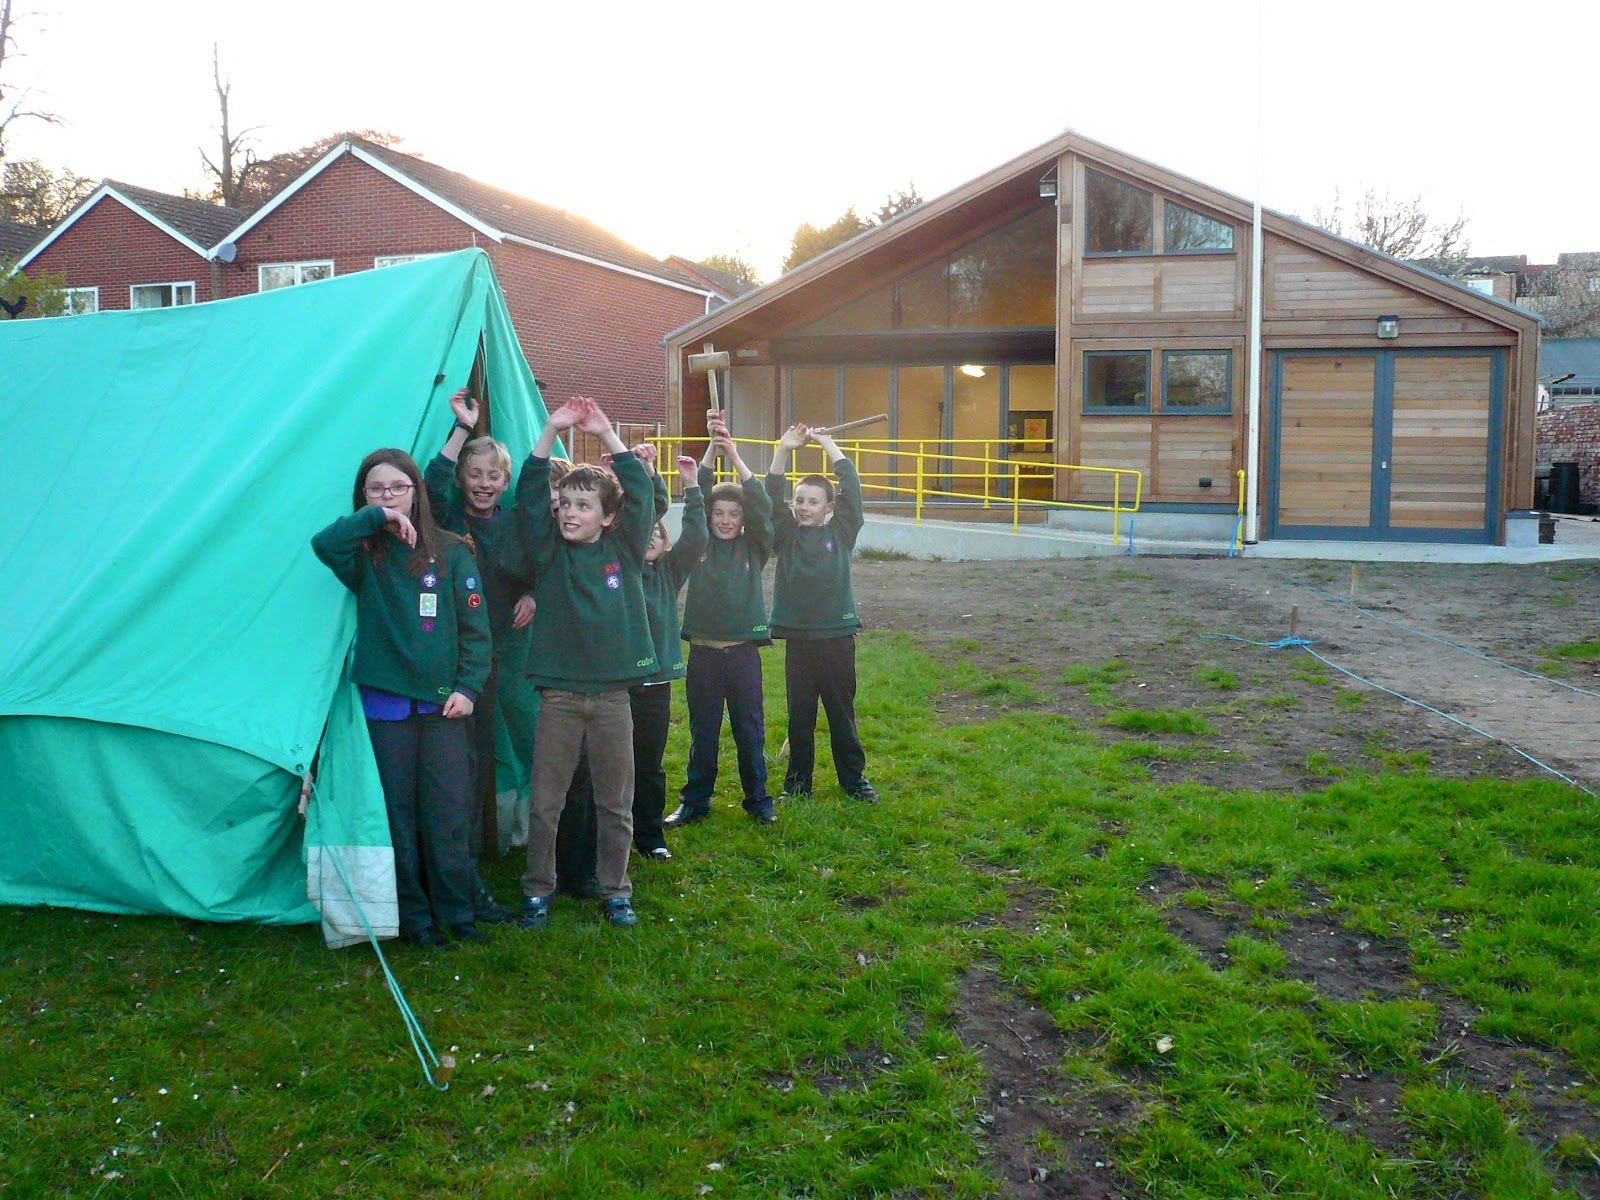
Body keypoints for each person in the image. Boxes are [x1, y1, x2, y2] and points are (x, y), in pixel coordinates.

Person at [311, 448, 493, 949]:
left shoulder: (454, 550)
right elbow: (323, 544)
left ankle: (457, 913)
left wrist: (468, 687)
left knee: (449, 813)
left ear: (418, 491)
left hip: (445, 709)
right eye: (377, 489)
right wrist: (377, 518)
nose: (389, 495)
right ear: (364, 497)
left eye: (398, 487)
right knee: (400, 816)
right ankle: (415, 920)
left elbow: (477, 632)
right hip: (387, 708)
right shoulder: (363, 555)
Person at [510, 397, 657, 930]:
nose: (570, 513)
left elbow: (641, 492)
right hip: (561, 698)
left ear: (608, 516)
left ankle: (616, 890)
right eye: (566, 504)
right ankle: (537, 890)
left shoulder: (625, 550)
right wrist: (550, 429)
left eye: (584, 506)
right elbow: (528, 498)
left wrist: (607, 436)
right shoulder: (549, 555)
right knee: (546, 803)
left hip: (613, 698)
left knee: (615, 803)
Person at [423, 387, 537, 923]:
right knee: (471, 750)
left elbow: (543, 559)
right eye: (476, 475)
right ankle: (471, 846)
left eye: (494, 476)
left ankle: (519, 833)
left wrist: (535, 593)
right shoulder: (449, 520)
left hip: (510, 650)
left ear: (506, 481)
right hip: (466, 652)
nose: (485, 484)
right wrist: (462, 431)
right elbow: (431, 485)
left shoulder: (514, 523)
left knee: (518, 734)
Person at [667, 409, 777, 828]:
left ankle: (759, 799)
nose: (726, 521)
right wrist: (712, 441)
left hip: (744, 655)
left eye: (734, 514)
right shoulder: (698, 543)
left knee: (750, 731)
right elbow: (702, 489)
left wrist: (735, 453)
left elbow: (764, 506)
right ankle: (696, 799)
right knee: (703, 732)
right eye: (719, 514)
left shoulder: (756, 547)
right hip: (704, 656)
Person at [766, 423, 878, 803]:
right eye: (799, 500)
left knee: (840, 714)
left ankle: (854, 780)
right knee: (800, 717)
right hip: (799, 641)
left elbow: (853, 492)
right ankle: (798, 784)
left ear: (829, 507)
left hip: (836, 639)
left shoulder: (842, 532)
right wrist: (784, 448)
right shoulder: (785, 534)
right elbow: (771, 494)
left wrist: (828, 444)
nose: (804, 507)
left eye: (813, 501)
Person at [633, 452, 707, 859]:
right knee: (606, 766)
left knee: (648, 763)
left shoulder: (669, 573)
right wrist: (647, 474)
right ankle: (608, 833)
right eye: (642, 534)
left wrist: (693, 487)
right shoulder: (620, 569)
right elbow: (640, 513)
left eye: (656, 535)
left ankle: (649, 835)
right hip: (617, 684)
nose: (649, 540)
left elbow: (696, 536)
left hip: (656, 685)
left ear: (665, 544)